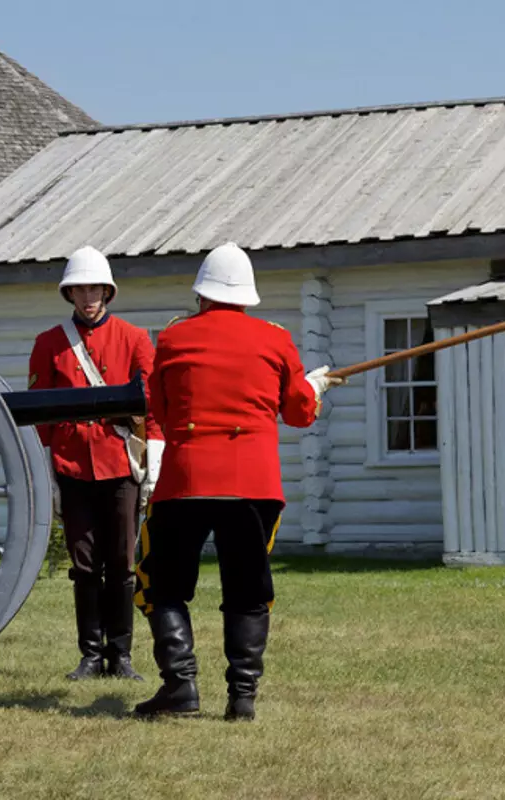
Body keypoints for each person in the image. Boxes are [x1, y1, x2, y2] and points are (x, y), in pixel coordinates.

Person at [132, 242, 344, 721]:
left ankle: (180, 687)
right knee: (248, 588)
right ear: (248, 298)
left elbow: (161, 411)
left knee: (162, 584)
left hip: (186, 481)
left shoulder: (173, 339)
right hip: (253, 483)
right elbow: (297, 412)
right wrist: (314, 386)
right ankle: (242, 698)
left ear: (202, 295)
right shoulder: (275, 340)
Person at [28, 245, 164, 681]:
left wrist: (154, 455)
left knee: (122, 562)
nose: (88, 297)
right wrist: (45, 467)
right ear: (70, 294)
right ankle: (90, 653)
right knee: (84, 563)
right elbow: (37, 415)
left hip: (120, 462)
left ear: (108, 291)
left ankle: (120, 654)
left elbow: (153, 404)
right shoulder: (49, 344)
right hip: (71, 465)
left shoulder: (135, 339)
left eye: (95, 288)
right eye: (80, 289)